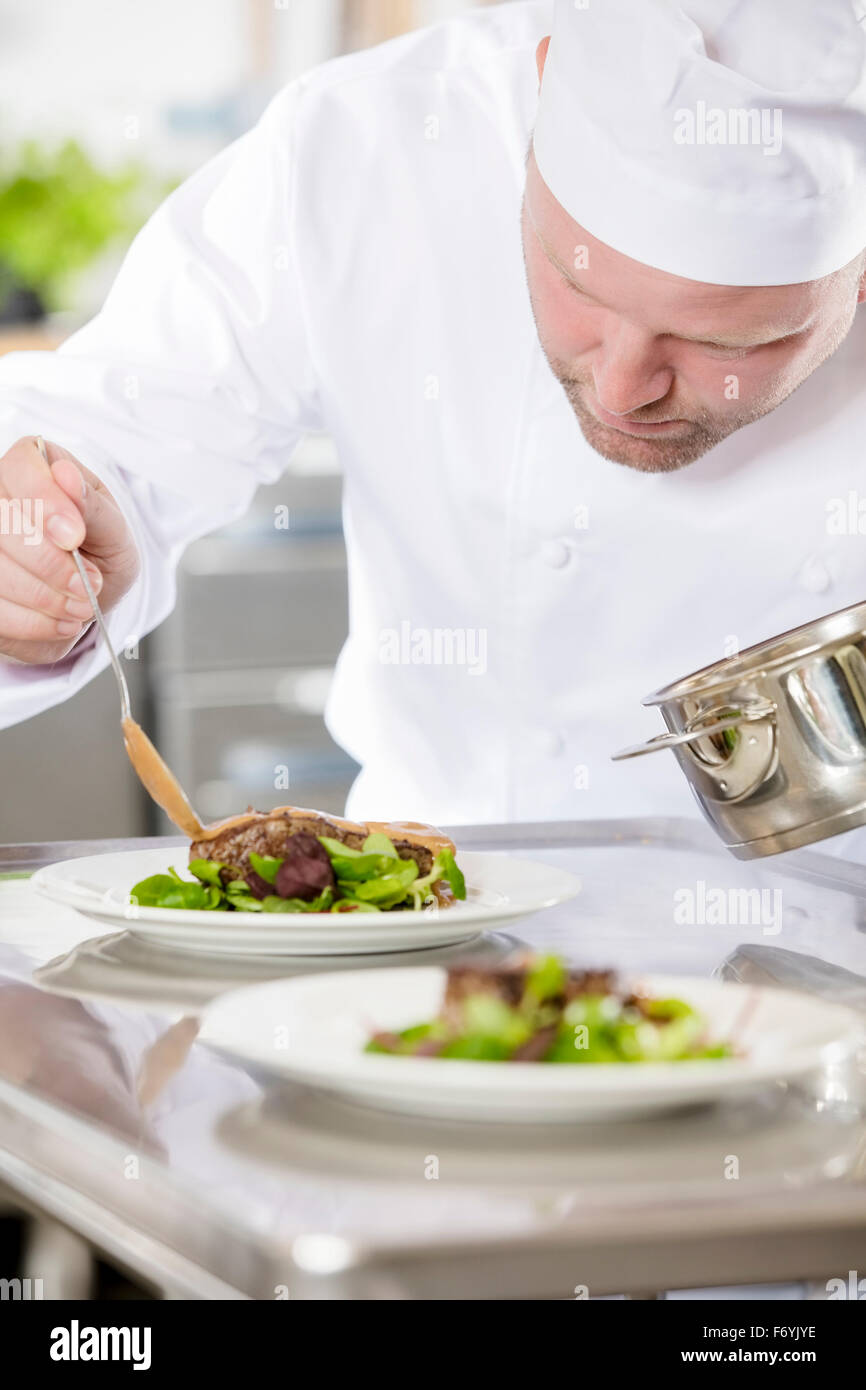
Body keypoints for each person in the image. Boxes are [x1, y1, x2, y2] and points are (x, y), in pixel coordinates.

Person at [0, 0, 864, 828]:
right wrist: (48, 541)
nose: (620, 389)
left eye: (725, 344)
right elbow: (123, 433)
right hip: (444, 915)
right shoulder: (375, 140)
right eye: (576, 282)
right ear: (542, 89)